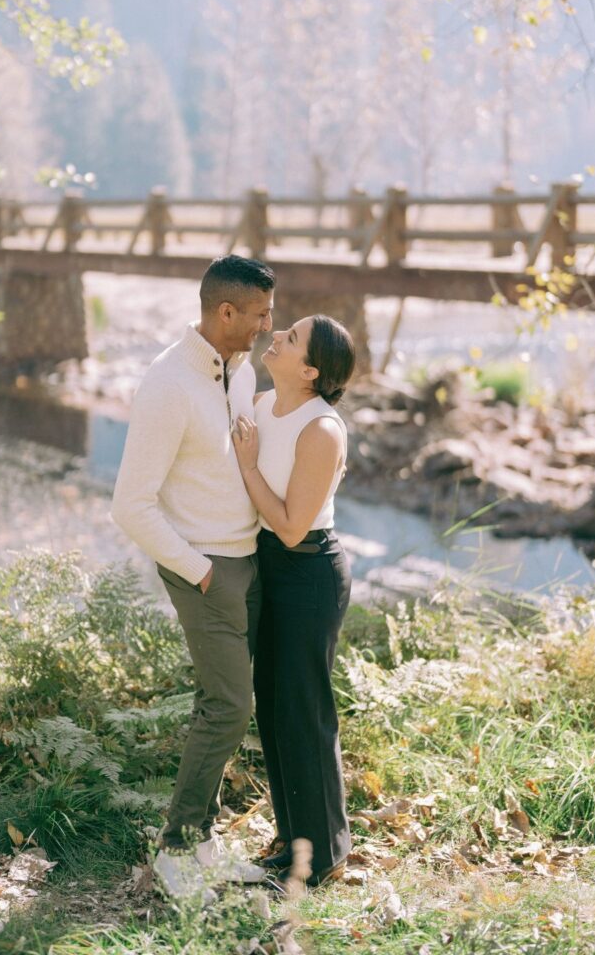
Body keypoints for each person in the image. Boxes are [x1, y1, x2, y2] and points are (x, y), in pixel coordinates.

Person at [111, 254, 275, 893]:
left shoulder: (240, 367)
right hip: (205, 567)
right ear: (225, 311)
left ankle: (199, 844)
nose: (270, 323)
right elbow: (130, 505)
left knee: (224, 705)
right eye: (261, 313)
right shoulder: (168, 384)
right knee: (230, 710)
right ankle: (177, 851)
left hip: (248, 559)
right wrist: (200, 571)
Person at [231, 313, 355, 889]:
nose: (276, 335)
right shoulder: (260, 405)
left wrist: (250, 466)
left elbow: (286, 524)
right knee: (273, 707)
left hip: (308, 570)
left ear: (308, 370)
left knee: (304, 711)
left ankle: (324, 855)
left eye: (291, 338)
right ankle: (292, 840)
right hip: (270, 567)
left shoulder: (321, 429)